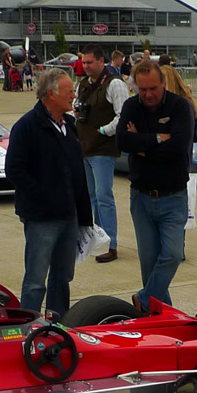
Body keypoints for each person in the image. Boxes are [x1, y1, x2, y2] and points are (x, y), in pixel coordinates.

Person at [5, 67, 92, 317]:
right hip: (42, 217)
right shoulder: (27, 126)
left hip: (69, 215)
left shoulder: (70, 125)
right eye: (69, 91)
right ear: (51, 95)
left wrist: (84, 217)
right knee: (35, 279)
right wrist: (44, 196)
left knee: (62, 277)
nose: (73, 95)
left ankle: (57, 323)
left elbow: (78, 172)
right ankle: (28, 326)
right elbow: (14, 170)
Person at [115, 60, 194, 313]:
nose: (148, 94)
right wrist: (159, 139)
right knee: (149, 265)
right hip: (141, 198)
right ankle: (161, 315)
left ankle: (145, 300)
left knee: (171, 254)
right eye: (142, 89)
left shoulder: (180, 107)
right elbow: (122, 141)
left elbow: (179, 148)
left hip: (173, 197)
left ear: (162, 83)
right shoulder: (131, 106)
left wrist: (143, 147)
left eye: (153, 88)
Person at [75, 45, 129, 263]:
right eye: (84, 63)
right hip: (84, 147)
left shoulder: (114, 83)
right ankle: (96, 240)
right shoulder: (84, 84)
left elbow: (123, 115)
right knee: (91, 197)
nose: (86, 66)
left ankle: (111, 244)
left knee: (104, 197)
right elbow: (76, 105)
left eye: (89, 62)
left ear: (101, 61)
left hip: (103, 149)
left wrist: (102, 131)